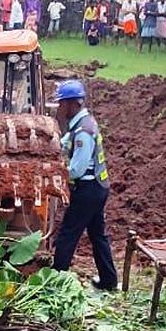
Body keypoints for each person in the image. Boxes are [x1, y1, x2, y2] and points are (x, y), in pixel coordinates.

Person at [51, 80, 118, 291]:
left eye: (62, 104)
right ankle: (109, 281)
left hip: (88, 190)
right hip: (97, 188)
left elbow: (77, 169)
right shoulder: (81, 125)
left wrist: (55, 172)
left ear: (73, 104)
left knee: (67, 234)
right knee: (98, 235)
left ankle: (55, 280)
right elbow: (65, 143)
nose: (60, 109)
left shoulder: (83, 132)